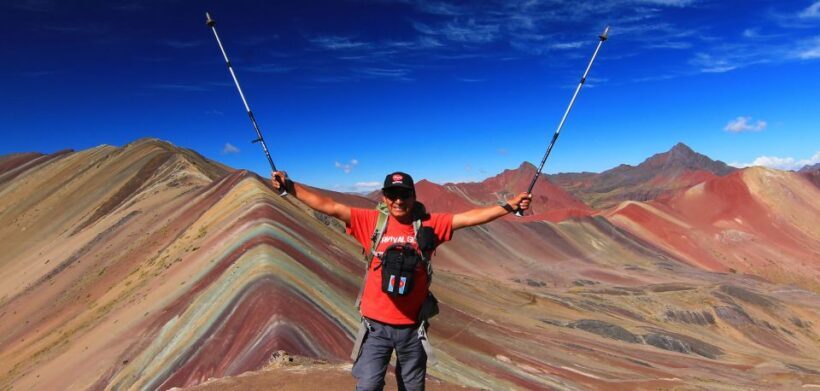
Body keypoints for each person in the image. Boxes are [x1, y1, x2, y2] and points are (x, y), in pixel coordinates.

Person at [271, 170, 531, 391]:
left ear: (413, 196)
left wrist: (509, 206)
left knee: (412, 387)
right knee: (369, 385)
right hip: (375, 329)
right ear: (384, 197)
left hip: (412, 330)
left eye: (404, 194)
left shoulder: (429, 225)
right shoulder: (372, 222)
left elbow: (468, 218)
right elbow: (330, 206)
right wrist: (290, 187)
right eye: (392, 195)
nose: (398, 200)